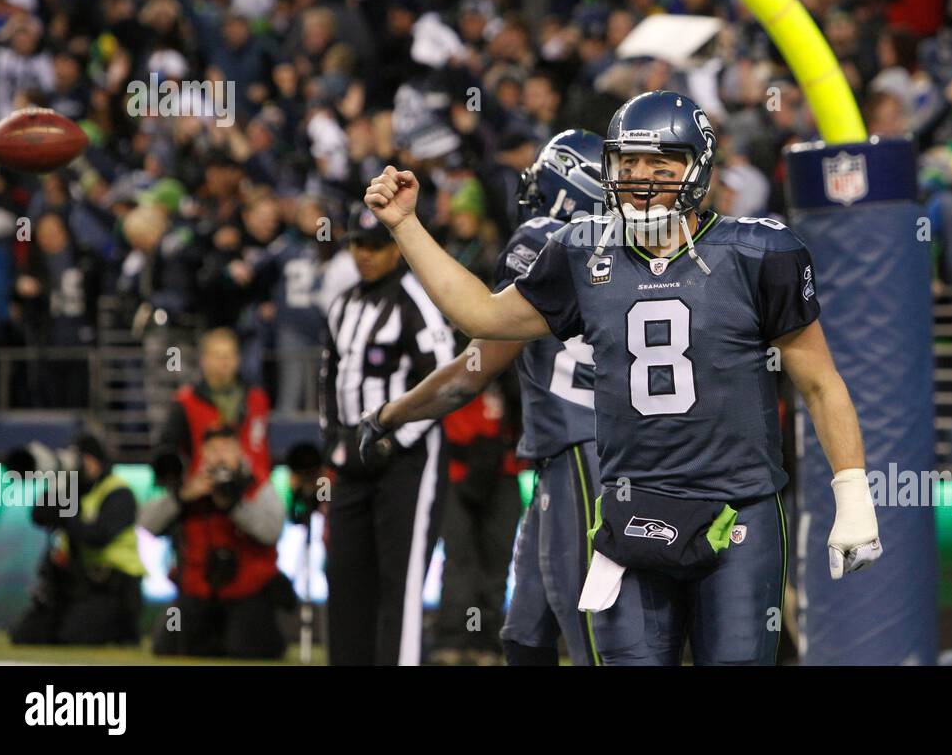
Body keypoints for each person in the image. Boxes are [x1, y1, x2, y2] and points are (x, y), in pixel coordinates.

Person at [364, 91, 881, 666]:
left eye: (661, 164)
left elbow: (821, 384)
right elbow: (481, 317)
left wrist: (852, 492)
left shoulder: (759, 252)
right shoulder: (581, 251)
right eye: (628, 163)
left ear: (697, 168)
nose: (641, 179)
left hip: (737, 510)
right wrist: (406, 226)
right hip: (631, 511)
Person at [359, 130, 604, 665]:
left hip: (580, 456)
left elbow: (474, 370)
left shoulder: (543, 238)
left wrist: (391, 413)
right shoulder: (621, 252)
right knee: (527, 630)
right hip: (586, 452)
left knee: (589, 630)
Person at [320, 206, 456, 665]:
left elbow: (444, 380)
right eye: (358, 245)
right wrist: (334, 442)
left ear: (396, 249)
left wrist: (394, 440)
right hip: (352, 459)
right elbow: (330, 376)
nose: (364, 255)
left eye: (375, 245)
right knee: (344, 577)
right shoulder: (343, 305)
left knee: (401, 581)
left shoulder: (416, 300)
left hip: (407, 460)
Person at [141, 424, 288, 659]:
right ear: (203, 454)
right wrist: (180, 498)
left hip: (245, 592)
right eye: (212, 450)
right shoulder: (190, 484)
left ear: (239, 452)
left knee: (244, 649)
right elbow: (147, 524)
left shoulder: (257, 484)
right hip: (197, 593)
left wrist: (233, 506)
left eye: (225, 449)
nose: (218, 457)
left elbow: (271, 531)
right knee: (167, 645)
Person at [9, 432, 143, 646]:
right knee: (27, 635)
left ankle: (123, 629)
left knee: (73, 636)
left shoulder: (119, 492)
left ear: (97, 462)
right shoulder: (72, 489)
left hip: (113, 586)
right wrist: (59, 484)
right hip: (75, 584)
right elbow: (39, 516)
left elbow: (98, 536)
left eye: (83, 459)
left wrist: (68, 515)